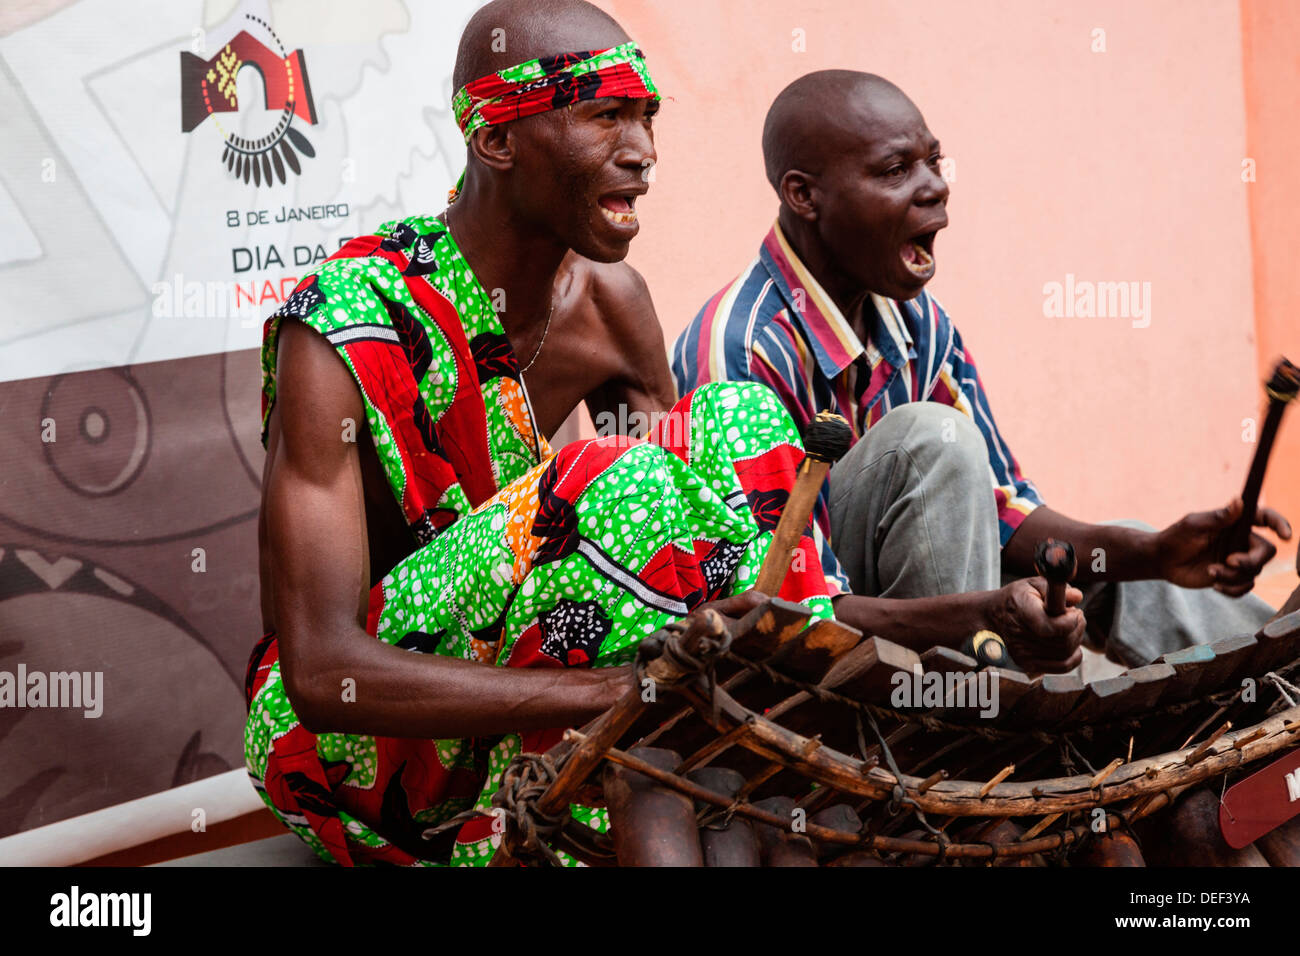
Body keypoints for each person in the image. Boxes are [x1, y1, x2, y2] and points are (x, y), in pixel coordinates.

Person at [244, 0, 837, 866]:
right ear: (496, 139)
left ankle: (783, 713)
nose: (643, 151)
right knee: (615, 476)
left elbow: (705, 549)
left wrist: (942, 621)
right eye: (605, 116)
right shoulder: (343, 324)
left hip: (553, 675)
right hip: (351, 741)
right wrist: (626, 692)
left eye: (646, 116)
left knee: (733, 419)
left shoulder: (610, 302)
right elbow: (322, 671)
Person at [672, 70, 1289, 672]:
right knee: (929, 443)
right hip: (803, 658)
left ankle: (1274, 678)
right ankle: (967, 725)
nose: (935, 187)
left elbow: (1003, 514)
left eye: (933, 163)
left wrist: (1156, 554)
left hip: (907, 608)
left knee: (1104, 558)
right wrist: (982, 617)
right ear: (804, 195)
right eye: (894, 171)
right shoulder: (739, 350)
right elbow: (781, 610)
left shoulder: (922, 325)